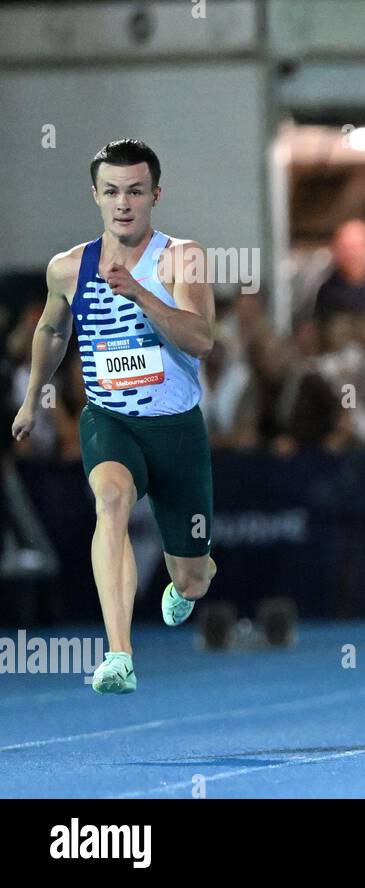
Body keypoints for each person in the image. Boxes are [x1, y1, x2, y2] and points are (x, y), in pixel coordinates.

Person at [10, 139, 217, 693]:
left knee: (192, 579)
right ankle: (119, 655)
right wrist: (32, 398)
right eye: (111, 192)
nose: (123, 203)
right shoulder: (68, 268)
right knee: (111, 501)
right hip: (110, 419)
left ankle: (189, 581)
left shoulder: (181, 258)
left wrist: (141, 294)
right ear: (95, 196)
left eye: (134, 192)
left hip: (175, 431)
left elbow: (201, 339)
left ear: (155, 195)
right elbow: (53, 330)